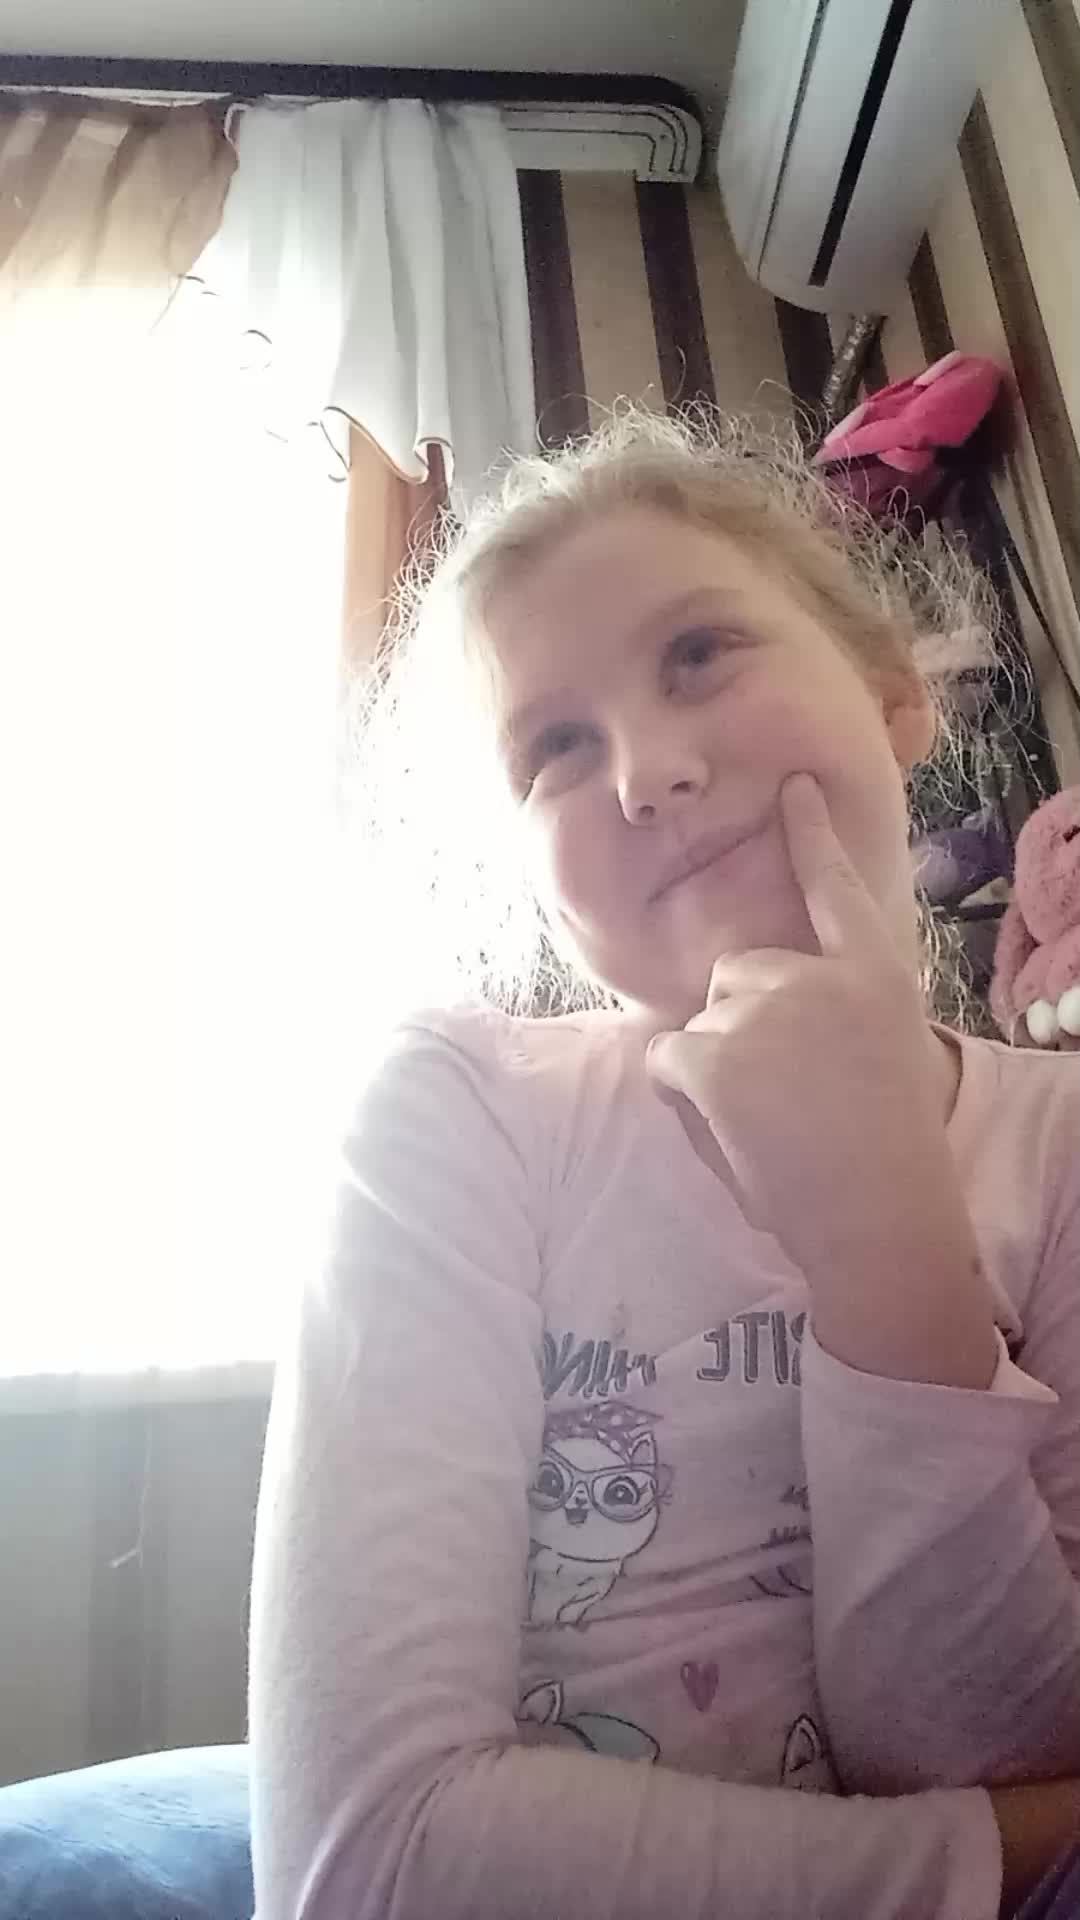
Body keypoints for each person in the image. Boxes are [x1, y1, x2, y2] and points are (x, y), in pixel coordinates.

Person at [248, 409, 1080, 1920]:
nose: (644, 772)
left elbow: (981, 1749)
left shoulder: (1066, 1147)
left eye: (700, 653)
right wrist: (1002, 1851)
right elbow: (368, 1870)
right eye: (554, 749)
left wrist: (885, 1233)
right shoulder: (459, 1115)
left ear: (894, 696)